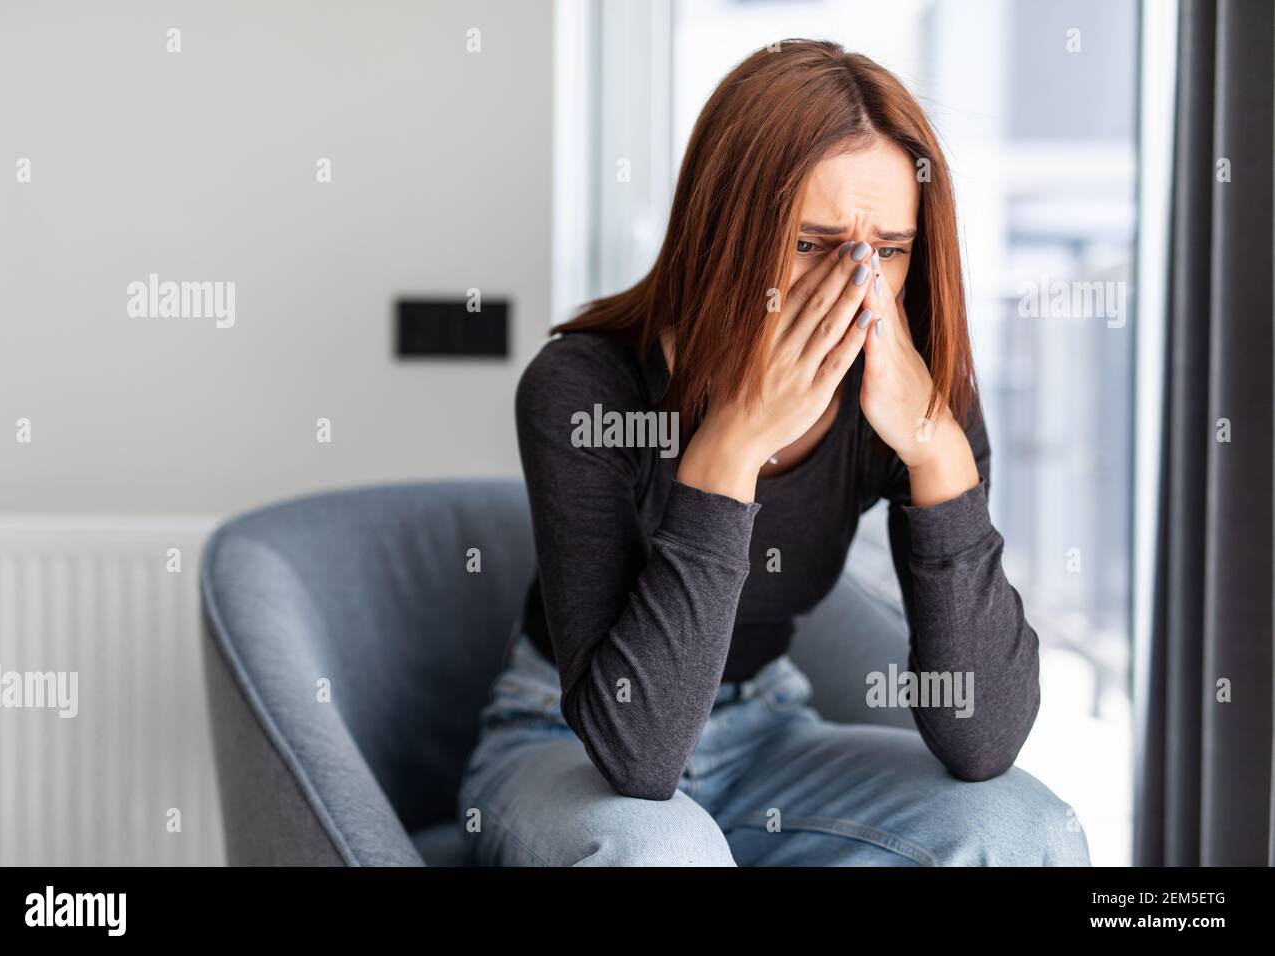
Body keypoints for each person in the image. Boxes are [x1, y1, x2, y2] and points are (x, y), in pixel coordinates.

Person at [456, 38, 1092, 866]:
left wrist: (938, 457)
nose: (854, 286)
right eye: (812, 243)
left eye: (888, 251)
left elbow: (983, 743)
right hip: (569, 740)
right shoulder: (583, 388)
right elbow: (637, 755)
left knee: (1026, 830)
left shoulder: (914, 400)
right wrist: (734, 446)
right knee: (664, 851)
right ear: (725, 231)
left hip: (766, 730)